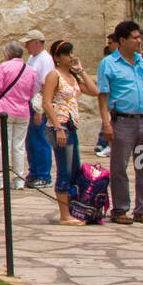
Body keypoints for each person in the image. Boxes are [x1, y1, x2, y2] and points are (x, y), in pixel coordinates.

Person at [97, 21, 143, 224]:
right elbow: (103, 95)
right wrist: (106, 123)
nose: (139, 41)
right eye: (134, 37)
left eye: (139, 37)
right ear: (122, 40)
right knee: (119, 166)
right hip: (122, 122)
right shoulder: (109, 64)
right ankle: (120, 209)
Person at [42, 40, 99, 225]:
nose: (70, 56)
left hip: (72, 126)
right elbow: (47, 102)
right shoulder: (54, 75)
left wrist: (81, 70)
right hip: (61, 126)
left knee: (74, 169)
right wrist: (58, 126)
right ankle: (64, 214)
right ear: (57, 58)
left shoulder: (72, 77)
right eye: (66, 54)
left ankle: (73, 209)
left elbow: (94, 90)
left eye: (71, 53)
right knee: (64, 170)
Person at [0, 40, 36, 189]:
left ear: (8, 54)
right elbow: (32, 91)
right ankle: (19, 180)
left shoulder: (4, 66)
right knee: (19, 146)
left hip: (5, 110)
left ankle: (2, 179)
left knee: (3, 145)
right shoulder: (29, 69)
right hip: (23, 111)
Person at [23, 29, 54, 186]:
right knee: (31, 140)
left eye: (28, 43)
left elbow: (45, 85)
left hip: (38, 104)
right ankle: (34, 171)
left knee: (41, 140)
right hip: (29, 103)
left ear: (36, 42)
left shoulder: (45, 60)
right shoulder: (32, 58)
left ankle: (44, 175)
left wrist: (40, 110)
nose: (26, 46)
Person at [95, 35, 118, 156]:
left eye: (110, 43)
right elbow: (102, 93)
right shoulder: (107, 63)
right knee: (118, 162)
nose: (108, 46)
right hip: (119, 112)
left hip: (141, 119)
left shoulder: (139, 61)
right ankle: (108, 145)